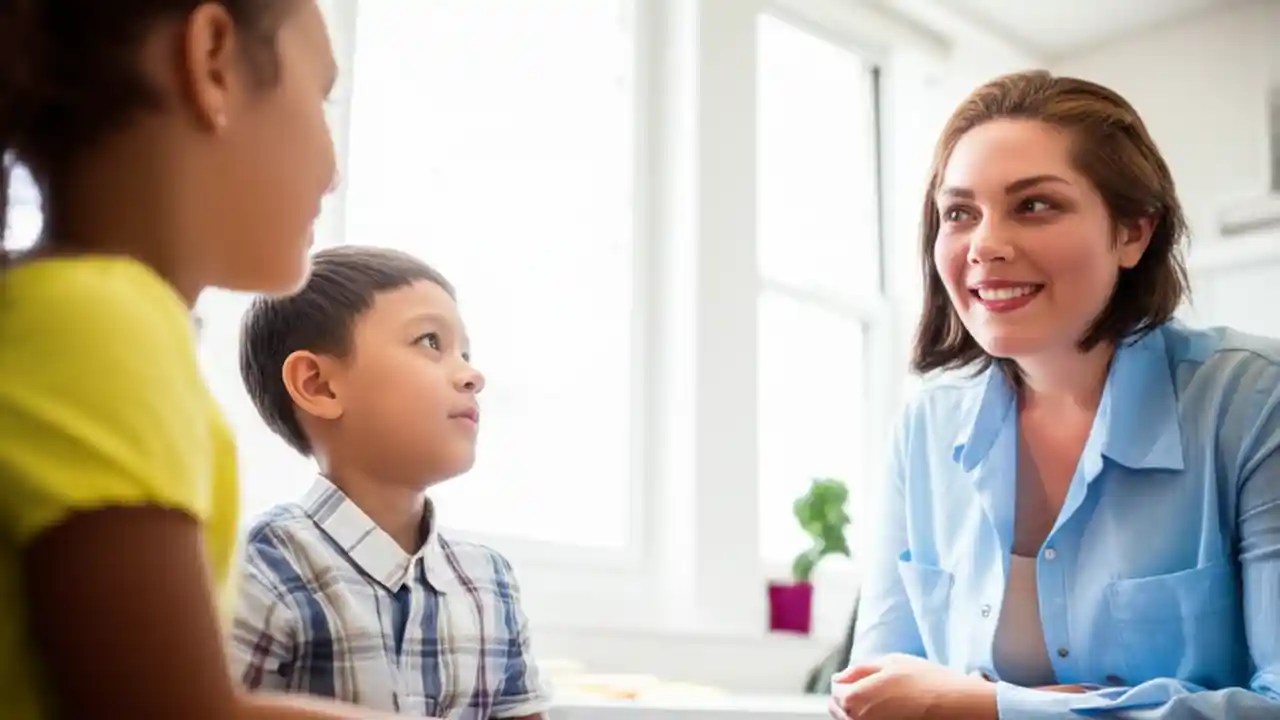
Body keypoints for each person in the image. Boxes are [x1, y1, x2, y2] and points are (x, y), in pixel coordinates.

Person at [829, 70, 1280, 719]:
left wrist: (989, 706)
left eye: (1034, 205)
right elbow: (874, 699)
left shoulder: (1253, 403)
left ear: (1133, 233)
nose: (985, 245)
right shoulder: (925, 426)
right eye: (959, 213)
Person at [0, 1, 394, 717]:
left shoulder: (87, 317)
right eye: (321, 96)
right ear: (213, 60)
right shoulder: (97, 326)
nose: (332, 173)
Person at [231, 246, 550, 719]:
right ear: (319, 385)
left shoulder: (491, 580)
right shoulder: (261, 567)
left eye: (465, 352)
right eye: (429, 342)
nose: (472, 375)